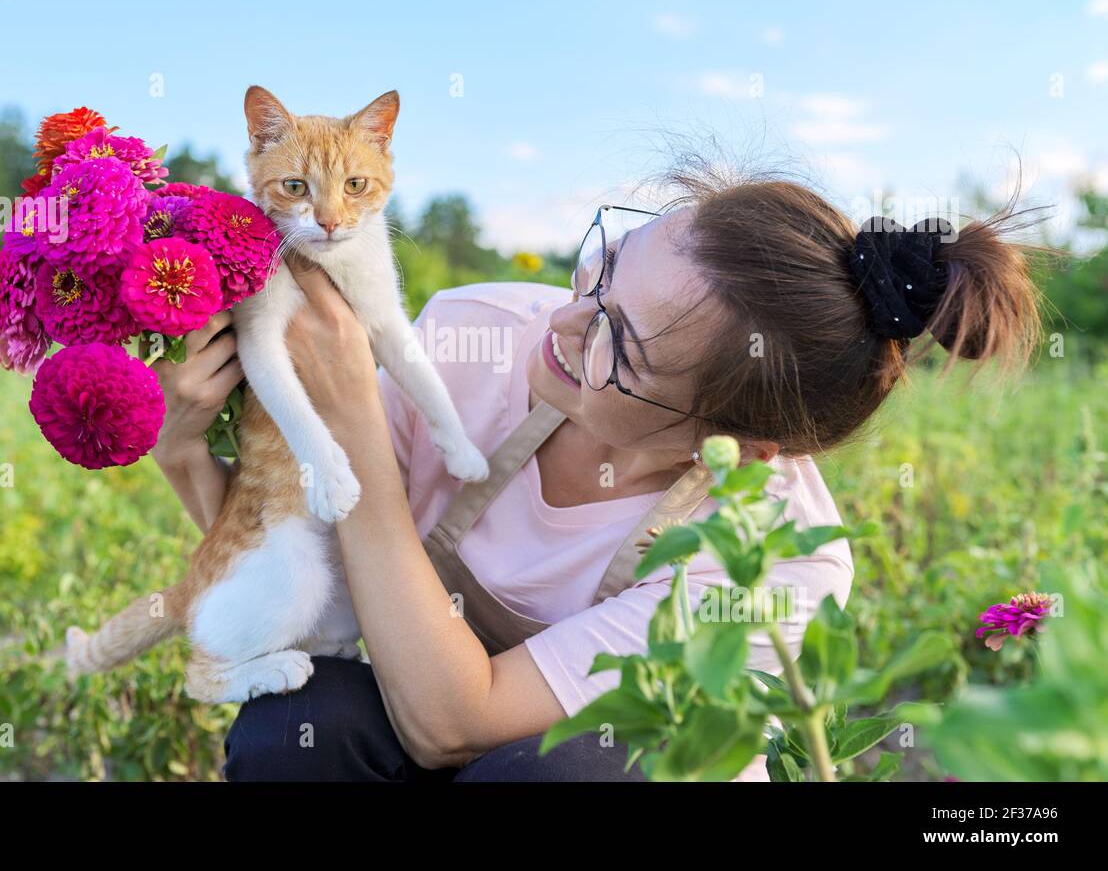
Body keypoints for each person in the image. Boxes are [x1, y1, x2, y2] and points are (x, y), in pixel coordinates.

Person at [151, 170, 1040, 781]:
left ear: (742, 444)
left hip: (549, 762)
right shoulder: (478, 336)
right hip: (453, 726)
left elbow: (451, 725)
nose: (566, 323)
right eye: (604, 268)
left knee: (581, 768)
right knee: (304, 728)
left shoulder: (770, 566)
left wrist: (349, 420)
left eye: (621, 344)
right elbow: (303, 564)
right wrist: (184, 448)